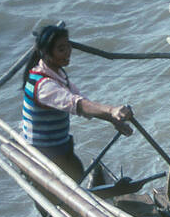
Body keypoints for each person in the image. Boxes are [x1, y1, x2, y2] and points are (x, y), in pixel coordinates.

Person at [21, 23, 133, 183]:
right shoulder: (44, 85)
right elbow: (79, 105)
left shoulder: (57, 73)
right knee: (65, 196)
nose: (67, 53)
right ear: (46, 53)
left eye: (68, 47)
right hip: (44, 157)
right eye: (61, 49)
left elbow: (82, 100)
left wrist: (113, 119)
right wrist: (112, 110)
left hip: (61, 147)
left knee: (77, 175)